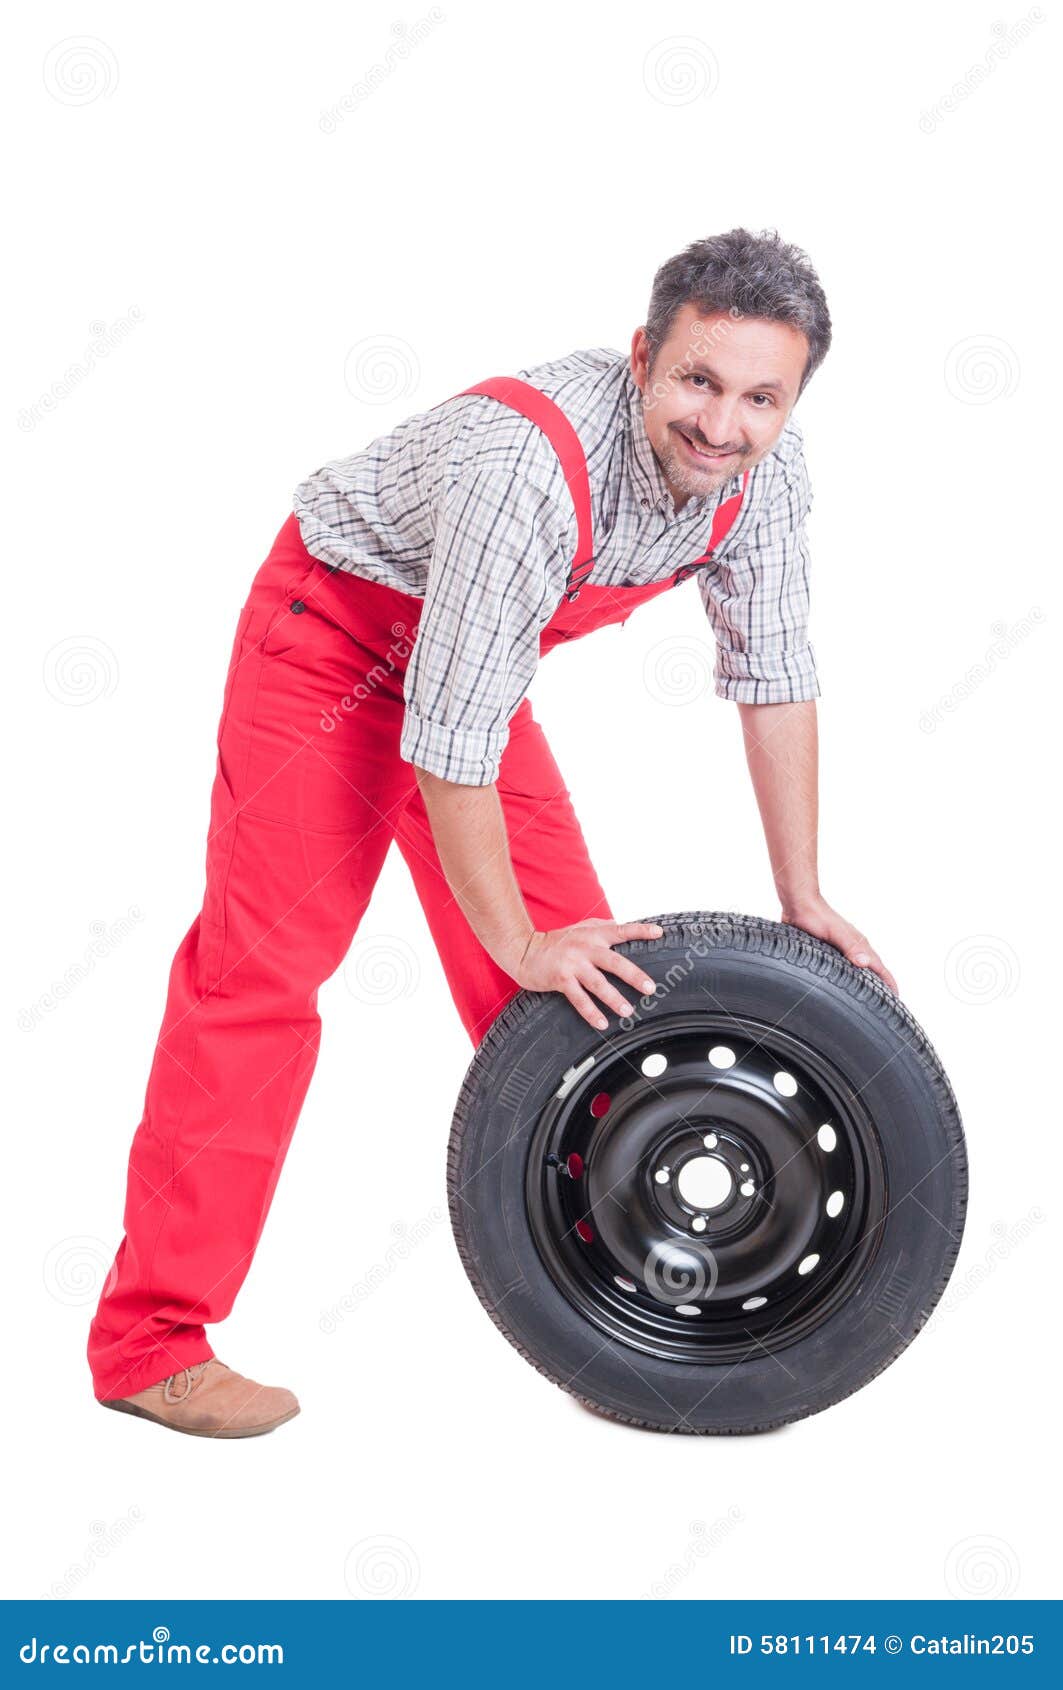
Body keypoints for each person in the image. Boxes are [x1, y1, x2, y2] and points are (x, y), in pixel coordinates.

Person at [87, 227, 896, 1439]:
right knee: (264, 976)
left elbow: (774, 676)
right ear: (641, 357)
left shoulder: (765, 482)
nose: (722, 423)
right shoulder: (528, 465)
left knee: (589, 995)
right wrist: (514, 939)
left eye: (758, 396)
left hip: (469, 665)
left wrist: (806, 891)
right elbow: (451, 741)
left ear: (792, 400)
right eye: (695, 380)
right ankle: (148, 1341)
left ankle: (619, 1314)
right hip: (332, 644)